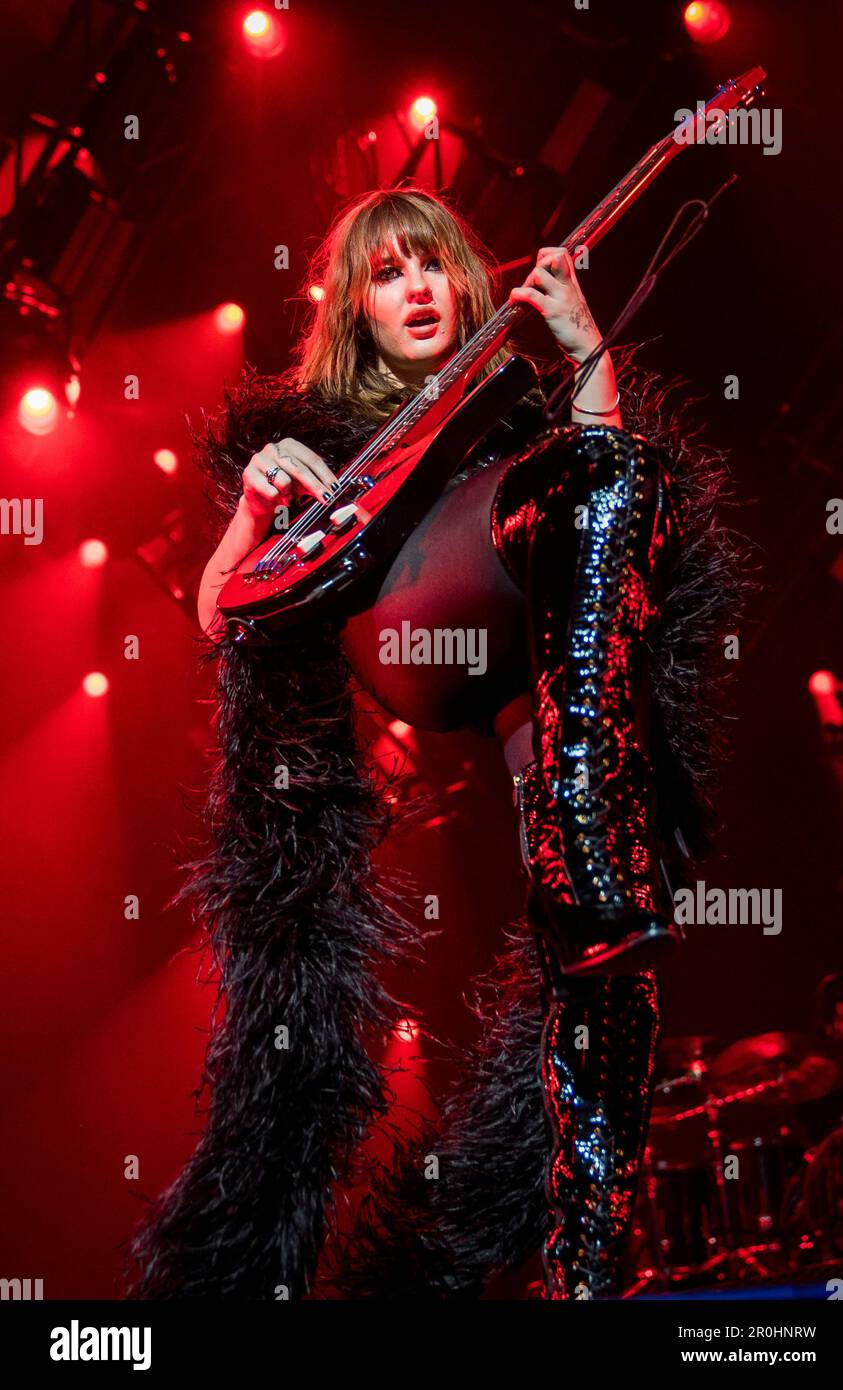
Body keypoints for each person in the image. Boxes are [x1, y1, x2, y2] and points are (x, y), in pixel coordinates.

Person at [125, 187, 740, 1301]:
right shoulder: (313, 422)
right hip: (407, 617)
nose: (414, 289)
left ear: (467, 282)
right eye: (386, 272)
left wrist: (585, 349)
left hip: (518, 652)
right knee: (591, 480)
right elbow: (219, 612)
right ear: (355, 307)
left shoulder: (517, 412)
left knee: (604, 954)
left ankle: (581, 1257)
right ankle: (594, 864)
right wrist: (254, 512)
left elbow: (621, 517)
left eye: (432, 267)